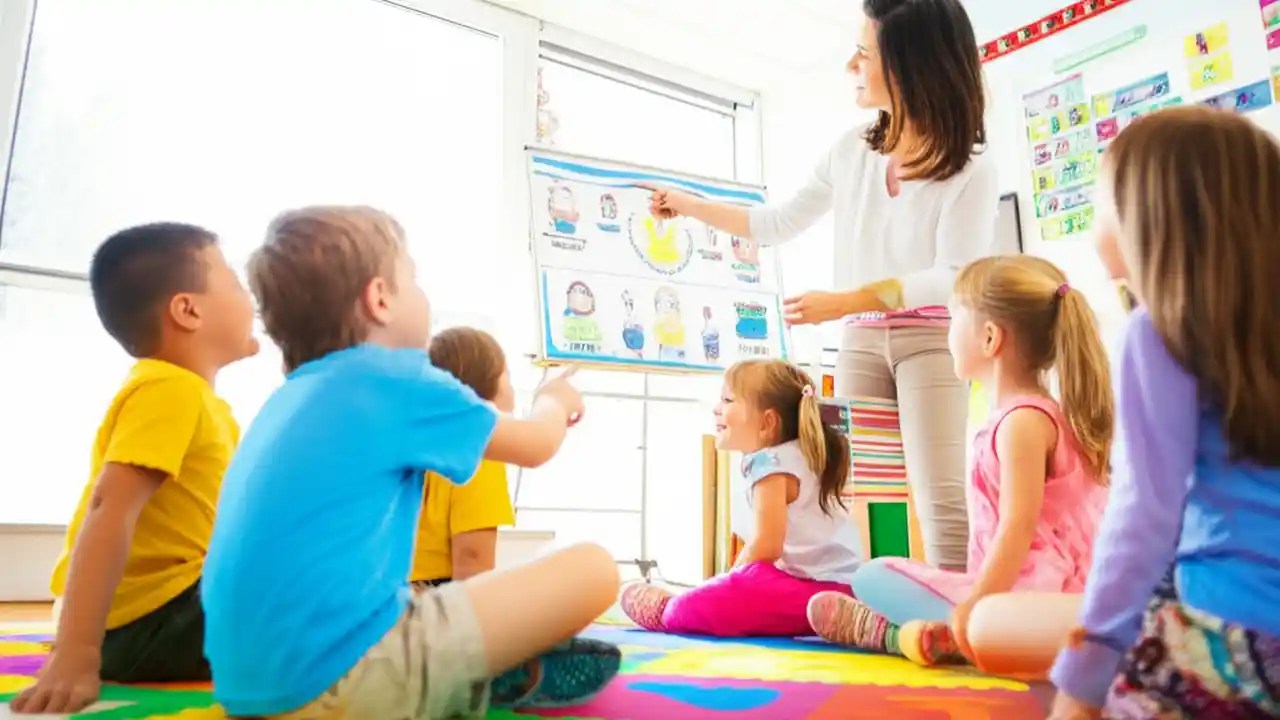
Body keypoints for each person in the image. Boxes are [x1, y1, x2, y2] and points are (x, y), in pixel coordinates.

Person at [201, 206, 621, 719]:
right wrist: (554, 398)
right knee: (595, 567)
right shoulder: (392, 377)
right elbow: (536, 443)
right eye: (414, 278)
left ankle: (474, 669)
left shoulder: (286, 401)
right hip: (342, 683)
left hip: (248, 689)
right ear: (380, 298)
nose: (423, 294)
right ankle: (477, 677)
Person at [644, 0, 1002, 570]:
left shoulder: (970, 170)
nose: (850, 67)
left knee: (939, 497)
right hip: (862, 343)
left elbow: (953, 275)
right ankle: (885, 610)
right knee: (865, 497)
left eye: (864, 53)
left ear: (909, 65)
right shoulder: (852, 150)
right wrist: (687, 204)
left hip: (932, 342)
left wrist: (848, 300)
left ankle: (959, 622)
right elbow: (773, 222)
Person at [1049, 107, 1280, 719]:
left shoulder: (1156, 334)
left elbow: (1142, 516)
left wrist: (1083, 679)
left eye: (1099, 206)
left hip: (1229, 633)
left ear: (1146, 219)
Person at [807, 255, 1113, 667]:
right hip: (1020, 595)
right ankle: (941, 634)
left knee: (874, 577)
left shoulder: (1023, 422)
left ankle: (900, 636)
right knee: (880, 575)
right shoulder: (1028, 414)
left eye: (953, 320)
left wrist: (978, 604)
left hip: (1033, 600)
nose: (948, 333)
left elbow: (1015, 530)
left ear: (989, 339)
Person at [10, 224, 258, 715]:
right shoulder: (170, 389)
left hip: (153, 615)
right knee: (325, 606)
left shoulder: (191, 397)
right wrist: (77, 653)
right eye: (234, 282)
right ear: (188, 310)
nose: (249, 295)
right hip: (153, 621)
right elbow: (110, 508)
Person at [620, 359, 859, 637]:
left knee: (724, 594)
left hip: (819, 589)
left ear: (767, 422)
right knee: (746, 586)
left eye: (727, 400)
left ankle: (670, 610)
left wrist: (728, 579)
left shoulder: (771, 465)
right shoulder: (795, 455)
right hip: (840, 586)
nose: (716, 408)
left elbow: (766, 548)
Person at [412, 326, 516, 588]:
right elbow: (474, 560)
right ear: (490, 383)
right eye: (508, 376)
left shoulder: (413, 443)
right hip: (434, 599)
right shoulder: (481, 451)